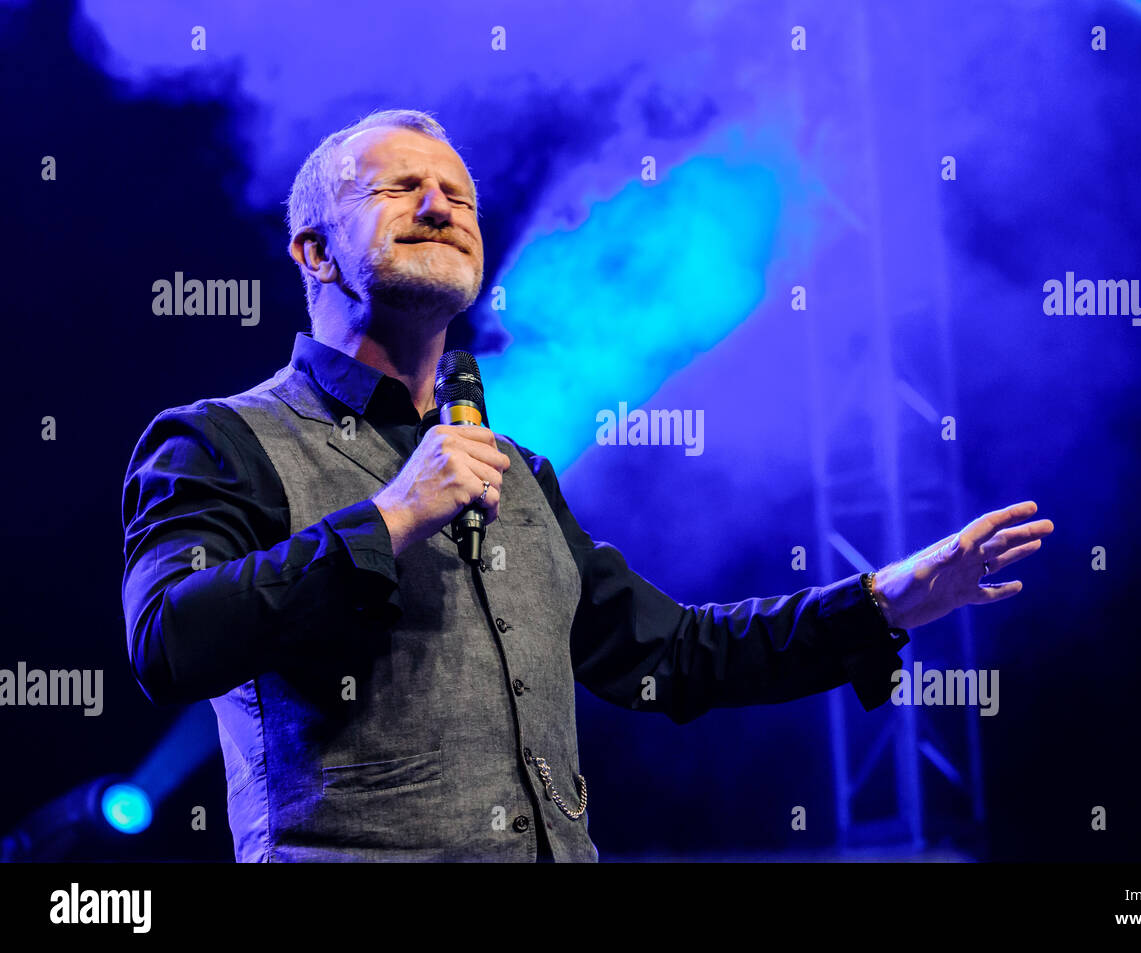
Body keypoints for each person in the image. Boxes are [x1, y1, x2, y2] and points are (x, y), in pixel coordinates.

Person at [121, 108, 1053, 862]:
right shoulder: (221, 440)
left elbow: (674, 655)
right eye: (403, 188)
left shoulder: (515, 474)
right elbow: (170, 640)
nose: (443, 206)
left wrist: (879, 603)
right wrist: (393, 516)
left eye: (461, 196)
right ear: (314, 252)